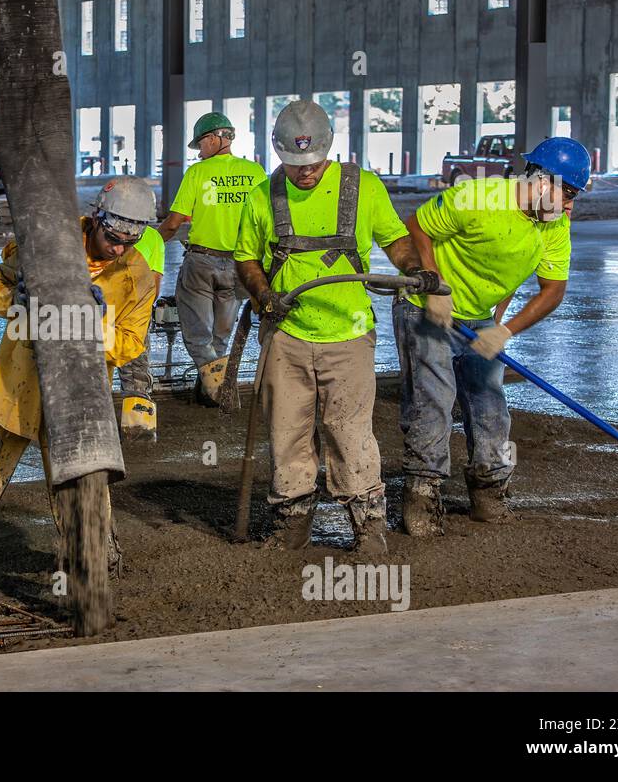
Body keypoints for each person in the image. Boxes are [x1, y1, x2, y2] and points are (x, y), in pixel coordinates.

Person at [0, 177, 159, 604]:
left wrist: (92, 325)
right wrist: (18, 300)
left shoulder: (136, 276)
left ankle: (90, 571)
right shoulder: (46, 244)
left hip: (80, 399)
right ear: (96, 219)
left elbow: (132, 342)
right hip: (19, 384)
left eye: (128, 242)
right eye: (112, 238)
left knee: (81, 487)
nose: (118, 249)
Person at [234, 100, 438, 554]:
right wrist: (264, 294)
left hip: (348, 334)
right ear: (277, 152)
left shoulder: (363, 188)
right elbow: (245, 257)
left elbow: (395, 239)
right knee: (286, 432)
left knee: (349, 433)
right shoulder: (260, 196)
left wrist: (415, 269)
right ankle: (292, 522)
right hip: (285, 337)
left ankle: (368, 526)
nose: (304, 173)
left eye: (312, 163)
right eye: (293, 163)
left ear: (328, 147)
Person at [394, 137, 590, 534]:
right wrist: (434, 285)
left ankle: (489, 492)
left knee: (490, 404)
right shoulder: (478, 197)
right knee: (434, 401)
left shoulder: (554, 225)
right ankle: (423, 497)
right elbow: (416, 225)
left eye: (575, 196)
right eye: (566, 193)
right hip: (427, 309)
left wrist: (503, 330)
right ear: (539, 181)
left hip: (480, 317)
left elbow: (552, 290)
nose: (570, 205)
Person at [157, 112, 266, 405]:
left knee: (196, 334)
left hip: (202, 264)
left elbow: (173, 223)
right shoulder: (255, 172)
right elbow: (266, 221)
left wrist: (145, 246)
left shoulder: (197, 173)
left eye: (201, 142)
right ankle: (209, 391)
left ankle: (222, 390)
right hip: (242, 265)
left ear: (217, 138)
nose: (200, 150)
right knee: (220, 336)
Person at [115, 224, 165, 441]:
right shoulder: (153, 236)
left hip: (99, 310)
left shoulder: (98, 232)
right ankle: (137, 429)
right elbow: (154, 285)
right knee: (136, 372)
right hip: (133, 315)